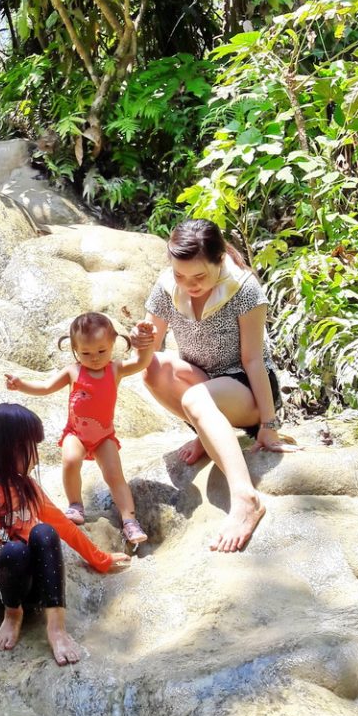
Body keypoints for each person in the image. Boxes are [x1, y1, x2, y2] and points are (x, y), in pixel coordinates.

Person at [0, 403, 129, 665]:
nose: (36, 458)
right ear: (11, 449)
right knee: (14, 550)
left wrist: (100, 559)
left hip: (38, 586)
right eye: (32, 448)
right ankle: (12, 615)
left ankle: (56, 628)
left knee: (45, 531)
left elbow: (63, 526)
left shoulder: (29, 488)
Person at [135, 218, 299, 553]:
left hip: (245, 387)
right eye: (181, 275)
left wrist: (269, 425)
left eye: (199, 276)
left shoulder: (243, 289)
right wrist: (138, 342)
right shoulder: (168, 286)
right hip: (203, 380)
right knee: (153, 368)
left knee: (196, 398)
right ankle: (204, 429)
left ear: (220, 260)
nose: (189, 284)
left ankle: (245, 498)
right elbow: (147, 351)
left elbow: (254, 360)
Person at [5, 312, 155, 548]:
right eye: (85, 353)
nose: (94, 358)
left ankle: (130, 521)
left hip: (104, 436)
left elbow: (141, 362)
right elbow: (45, 387)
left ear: (113, 344)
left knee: (115, 475)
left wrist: (146, 343)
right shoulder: (74, 372)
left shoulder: (115, 369)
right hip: (75, 433)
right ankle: (75, 504)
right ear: (75, 349)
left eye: (101, 351)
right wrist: (21, 385)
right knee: (71, 461)